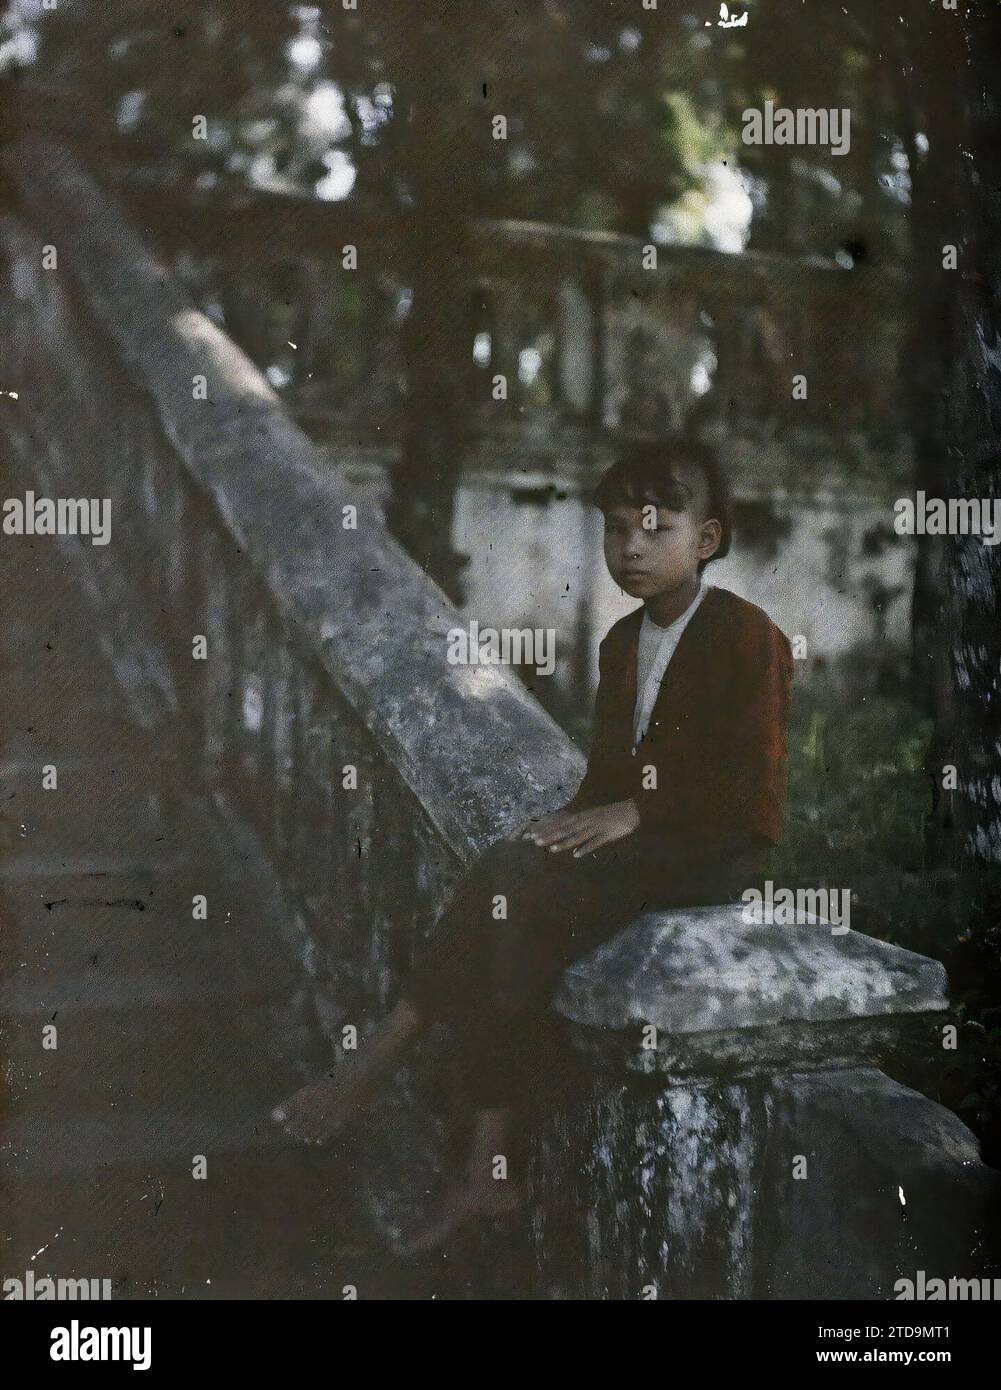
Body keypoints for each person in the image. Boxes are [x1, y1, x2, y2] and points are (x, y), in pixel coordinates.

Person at [271, 438, 794, 1253]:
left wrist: (638, 814)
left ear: (708, 539)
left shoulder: (746, 635)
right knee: (507, 897)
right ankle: (486, 1170)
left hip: (709, 852)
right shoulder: (622, 643)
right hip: (645, 846)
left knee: (510, 888)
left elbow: (753, 790)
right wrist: (577, 820)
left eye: (655, 528)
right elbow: (605, 777)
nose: (630, 547)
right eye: (617, 528)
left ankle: (375, 1066)